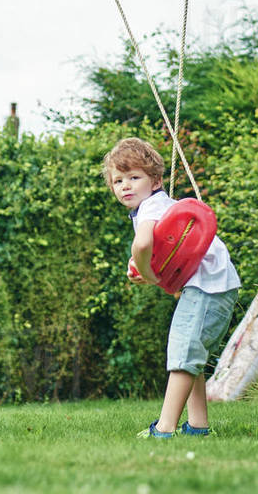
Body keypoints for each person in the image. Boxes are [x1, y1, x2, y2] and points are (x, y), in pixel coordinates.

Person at [102, 137, 240, 439]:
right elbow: (166, 251)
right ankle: (198, 426)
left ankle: (164, 428)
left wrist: (148, 274)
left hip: (209, 286)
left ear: (155, 181)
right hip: (215, 283)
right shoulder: (156, 206)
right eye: (118, 181)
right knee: (193, 353)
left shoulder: (151, 207)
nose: (125, 186)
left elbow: (143, 245)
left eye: (134, 177)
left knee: (183, 351)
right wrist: (144, 267)